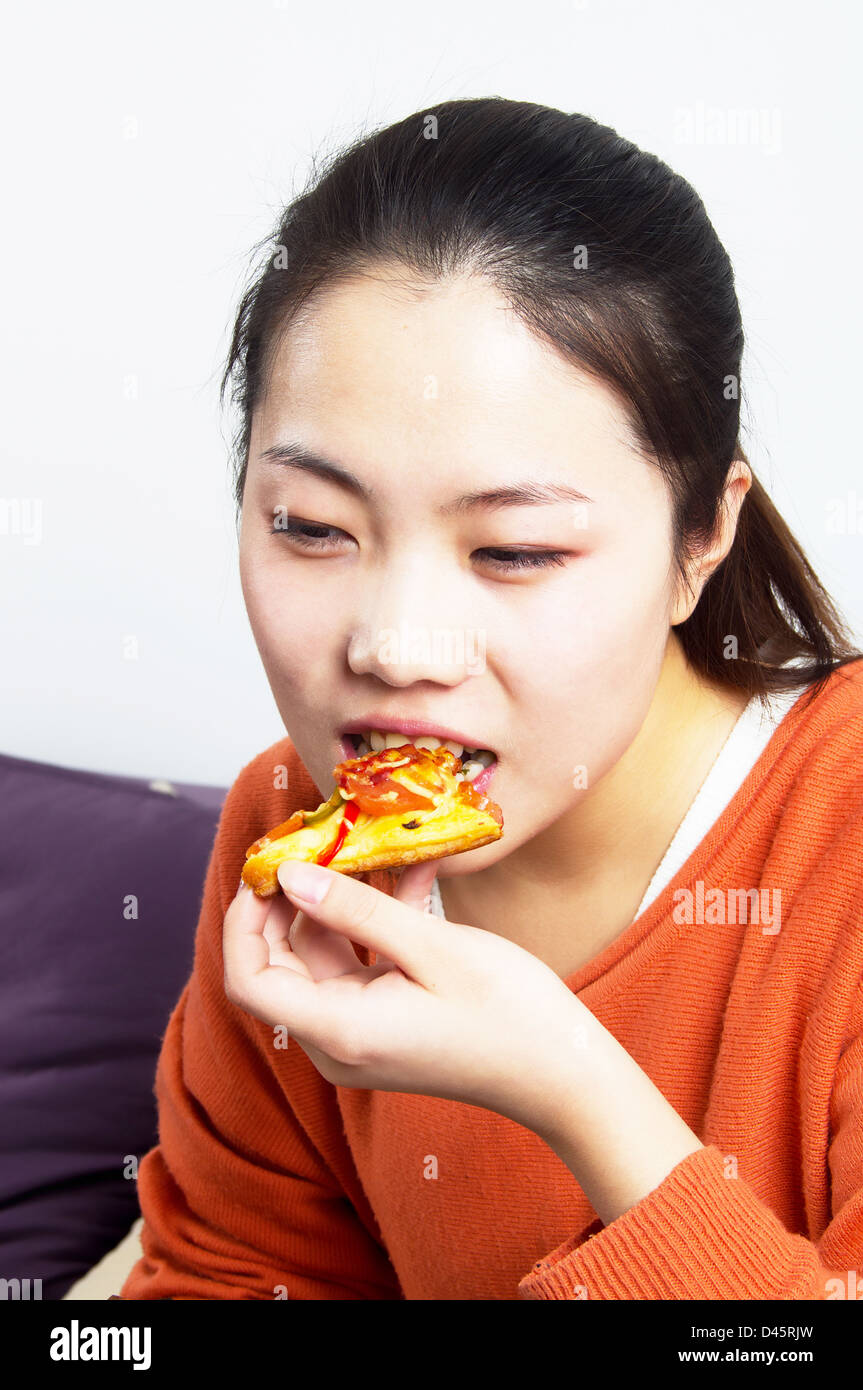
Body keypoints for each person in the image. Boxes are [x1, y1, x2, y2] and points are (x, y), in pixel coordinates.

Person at [113, 98, 863, 1300]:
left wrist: (574, 1091)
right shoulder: (289, 829)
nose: (396, 648)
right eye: (310, 527)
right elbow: (226, 1275)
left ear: (701, 536)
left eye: (513, 549)